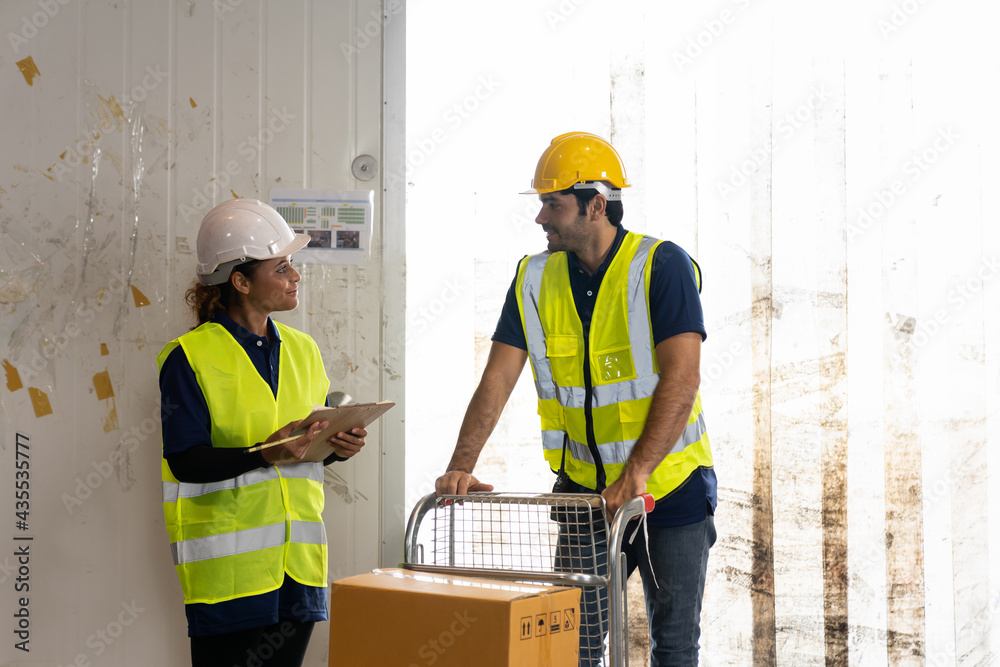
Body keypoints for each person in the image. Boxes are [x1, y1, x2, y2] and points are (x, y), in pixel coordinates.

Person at [435, 132, 717, 666]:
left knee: (675, 646)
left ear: (595, 204)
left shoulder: (661, 265)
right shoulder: (534, 278)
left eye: (552, 203)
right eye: (541, 203)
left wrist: (637, 472)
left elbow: (682, 381)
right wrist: (460, 466)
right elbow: (496, 379)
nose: (541, 218)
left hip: (669, 491)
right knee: (572, 646)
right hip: (585, 497)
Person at [157, 198, 368, 667]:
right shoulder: (189, 357)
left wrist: (339, 447)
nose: (295, 276)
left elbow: (304, 451)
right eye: (282, 267)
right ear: (241, 280)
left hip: (298, 567)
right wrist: (265, 453)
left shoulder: (303, 349)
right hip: (229, 572)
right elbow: (186, 460)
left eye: (292, 265)